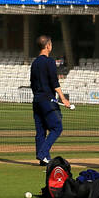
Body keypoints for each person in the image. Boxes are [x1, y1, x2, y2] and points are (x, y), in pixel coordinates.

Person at [30, 35, 73, 166]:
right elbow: (54, 82)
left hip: (37, 99)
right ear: (48, 46)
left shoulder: (35, 62)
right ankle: (43, 153)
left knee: (41, 130)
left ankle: (43, 159)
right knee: (57, 127)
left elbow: (32, 83)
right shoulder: (49, 62)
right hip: (48, 100)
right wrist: (64, 99)